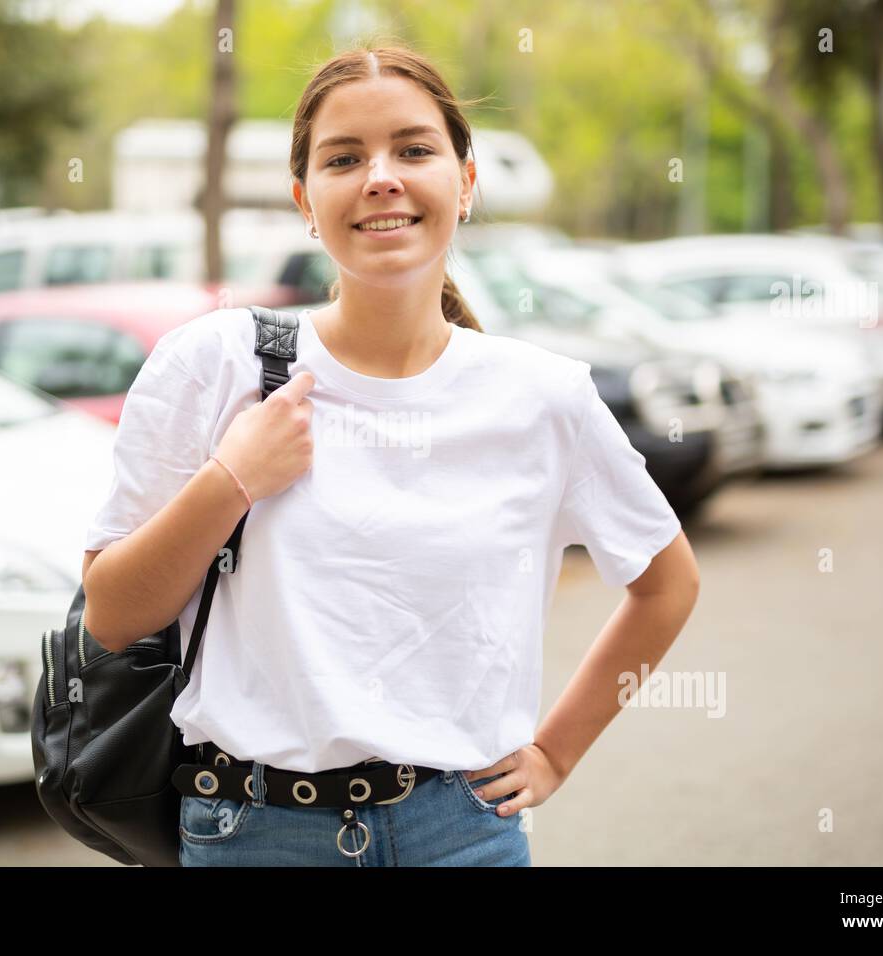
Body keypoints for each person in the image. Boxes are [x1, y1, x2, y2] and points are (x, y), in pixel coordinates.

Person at [80, 43, 700, 867]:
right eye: (344, 158)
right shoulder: (212, 366)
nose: (382, 176)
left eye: (413, 149)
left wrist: (555, 752)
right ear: (305, 199)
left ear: (465, 183)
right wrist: (230, 481)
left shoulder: (543, 396)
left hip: (463, 835)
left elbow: (666, 583)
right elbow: (114, 616)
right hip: (251, 833)